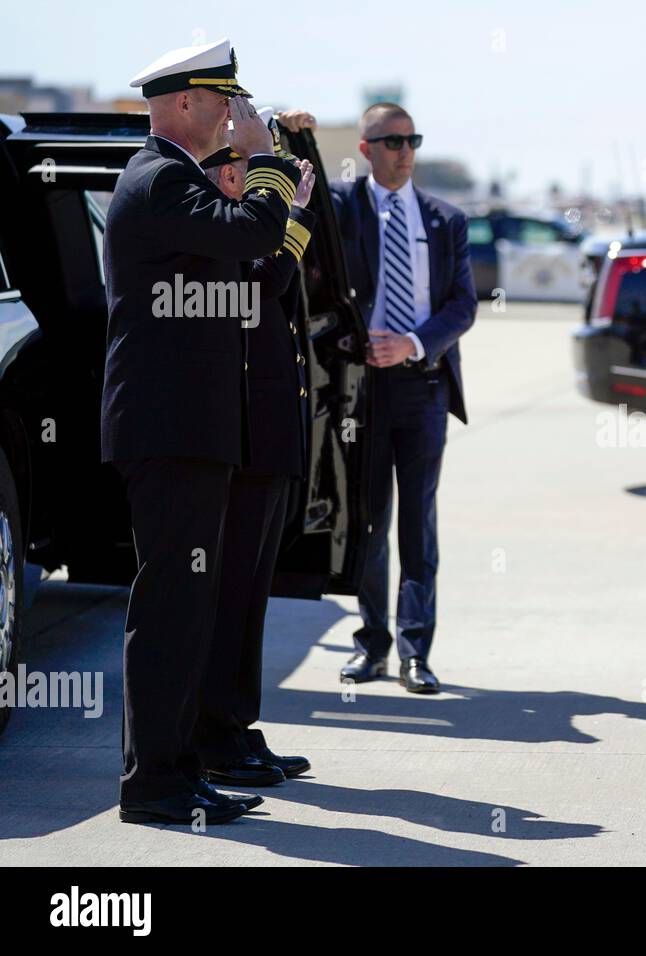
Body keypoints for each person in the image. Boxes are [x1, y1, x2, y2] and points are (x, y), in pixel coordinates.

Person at [103, 38, 300, 825]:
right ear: (185, 102)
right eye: (224, 101)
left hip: (189, 430)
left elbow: (251, 278)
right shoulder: (160, 182)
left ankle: (177, 770)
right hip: (172, 431)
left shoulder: (176, 181)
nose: (232, 116)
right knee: (170, 613)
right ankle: (152, 783)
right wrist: (267, 163)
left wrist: (261, 178)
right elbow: (254, 231)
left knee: (188, 611)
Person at [278, 102, 475, 694]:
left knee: (419, 521)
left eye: (412, 140)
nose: (404, 151)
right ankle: (372, 646)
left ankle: (418, 651)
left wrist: (413, 344)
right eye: (391, 141)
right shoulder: (343, 206)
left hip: (424, 386)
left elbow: (462, 305)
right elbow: (300, 195)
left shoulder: (446, 220)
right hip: (360, 392)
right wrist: (292, 139)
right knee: (366, 521)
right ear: (365, 149)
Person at [191, 122, 316, 788]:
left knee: (250, 598)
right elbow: (258, 290)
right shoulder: (223, 225)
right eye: (245, 165)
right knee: (231, 593)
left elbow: (289, 293)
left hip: (267, 434)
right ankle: (217, 737)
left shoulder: (248, 223)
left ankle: (236, 729)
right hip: (241, 436)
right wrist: (290, 220)